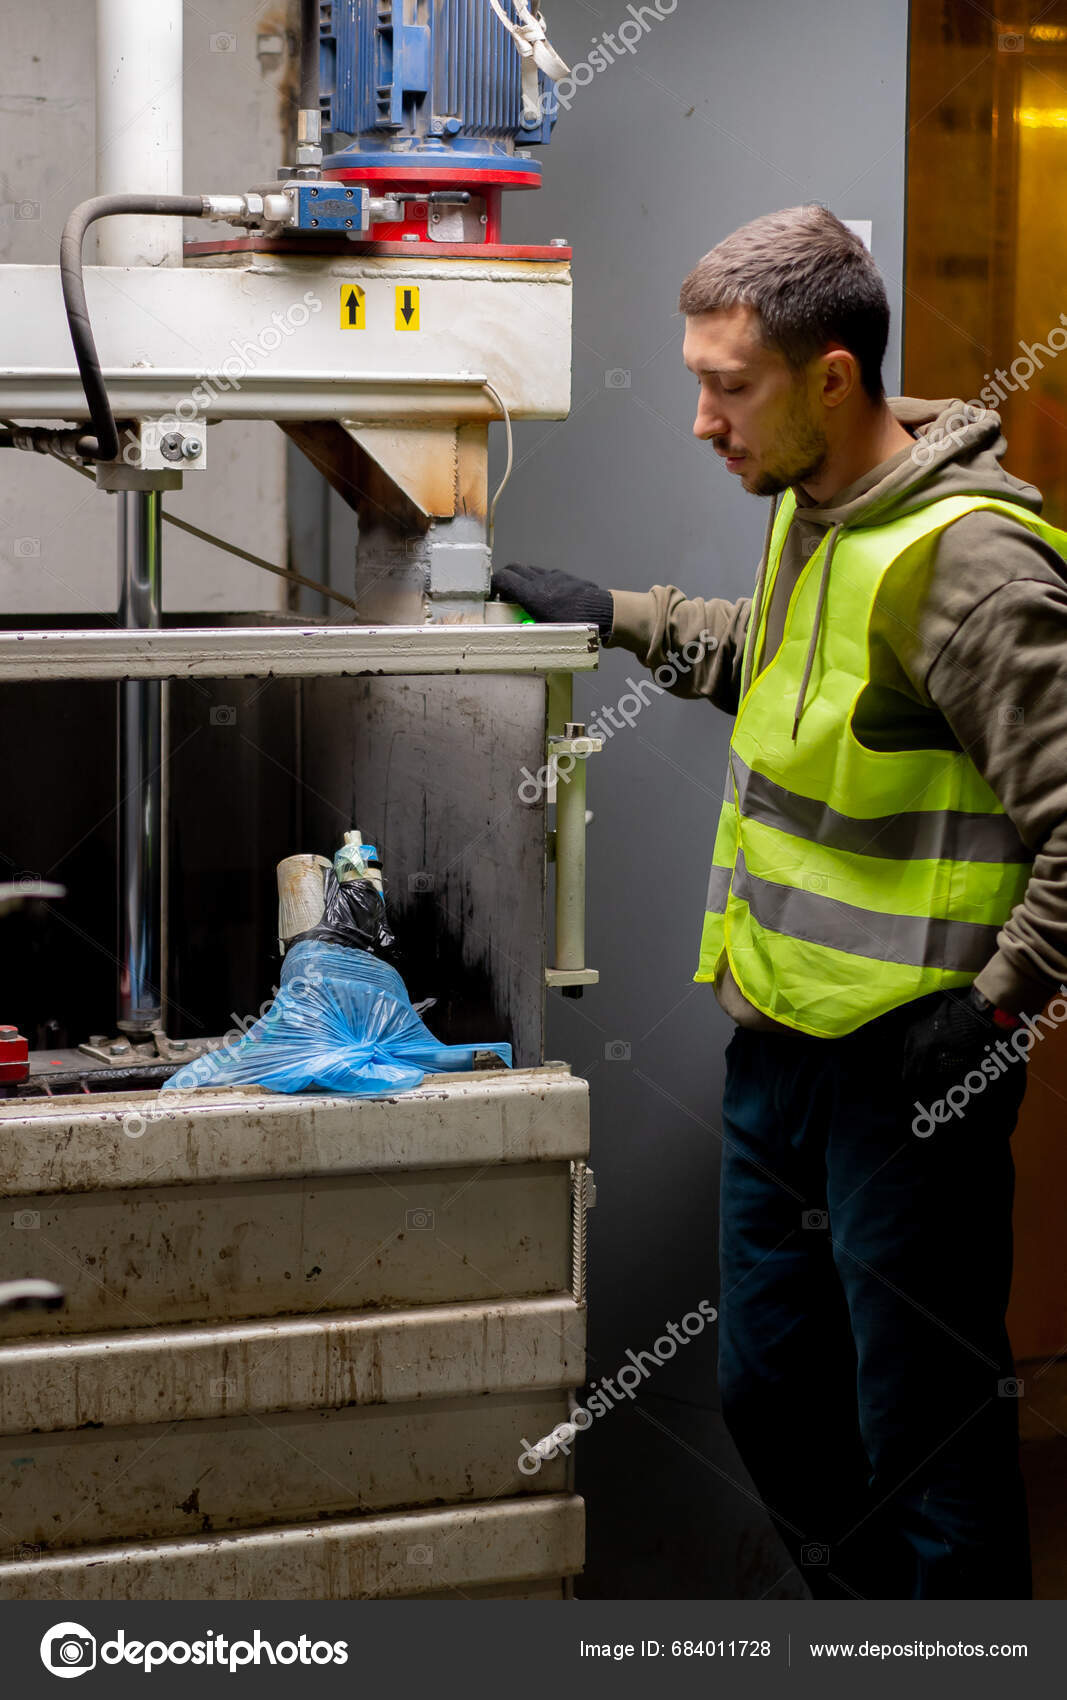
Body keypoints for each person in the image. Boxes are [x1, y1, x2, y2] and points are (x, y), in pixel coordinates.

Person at [492, 203, 1067, 1602]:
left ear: (831, 378)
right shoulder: (823, 519)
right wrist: (612, 610)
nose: (702, 420)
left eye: (728, 385)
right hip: (780, 1055)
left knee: (926, 1439)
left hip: (908, 1075)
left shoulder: (973, 568)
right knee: (771, 1398)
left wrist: (995, 1010)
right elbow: (777, 664)